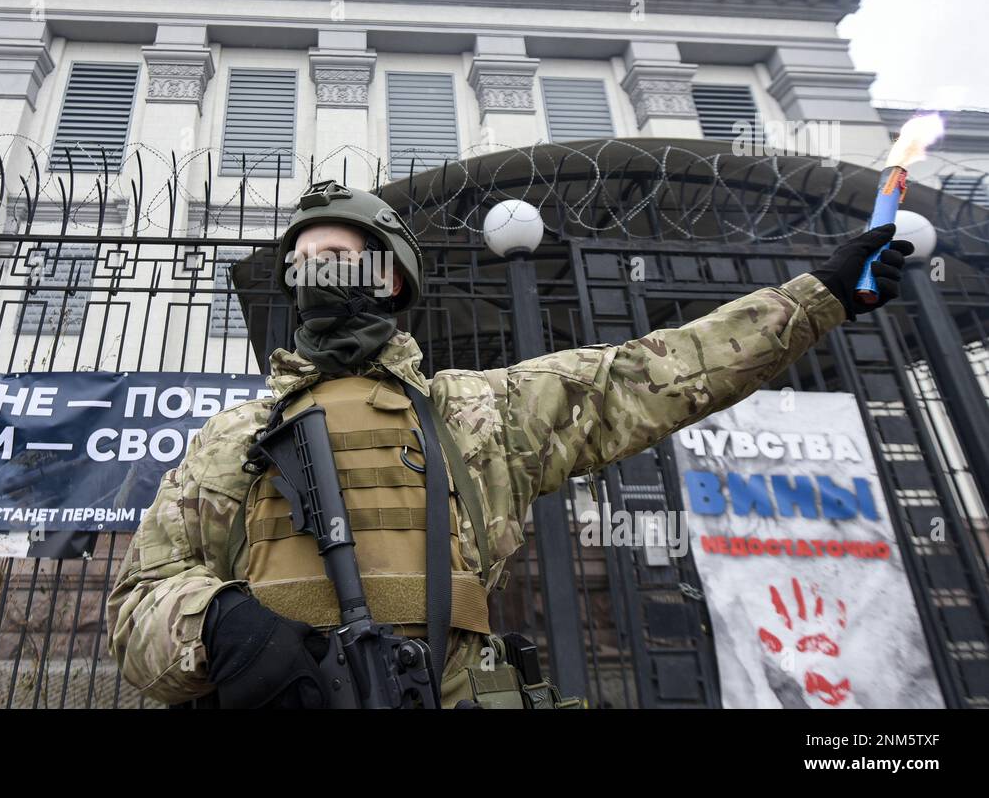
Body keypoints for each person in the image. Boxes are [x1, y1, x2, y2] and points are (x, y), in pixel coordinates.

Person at [107, 180, 913, 708]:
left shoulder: (478, 414)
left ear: (391, 278)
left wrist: (821, 297)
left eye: (341, 257)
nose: (321, 271)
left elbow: (647, 377)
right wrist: (219, 626)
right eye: (307, 261)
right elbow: (140, 600)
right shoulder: (237, 436)